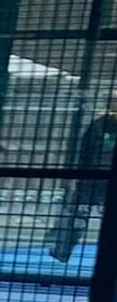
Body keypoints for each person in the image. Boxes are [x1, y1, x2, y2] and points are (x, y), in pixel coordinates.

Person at [52, 90, 117, 264]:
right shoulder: (98, 125)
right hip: (92, 177)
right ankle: (62, 251)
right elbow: (84, 152)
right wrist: (78, 175)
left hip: (108, 179)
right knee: (78, 216)